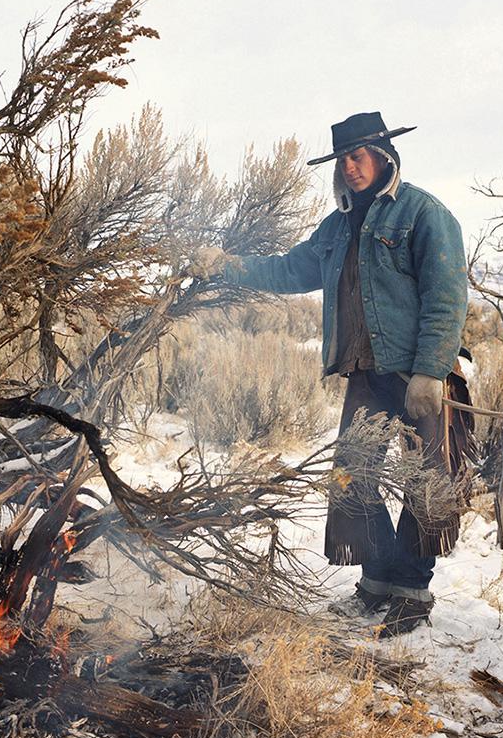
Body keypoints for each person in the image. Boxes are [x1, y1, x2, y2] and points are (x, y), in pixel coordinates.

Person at [190, 112, 471, 635]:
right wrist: (224, 264)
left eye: (359, 154)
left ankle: (411, 591)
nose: (350, 166)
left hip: (422, 376)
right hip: (366, 372)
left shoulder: (423, 213)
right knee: (351, 478)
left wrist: (431, 371)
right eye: (343, 158)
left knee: (426, 484)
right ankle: (379, 580)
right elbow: (286, 269)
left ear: (385, 155)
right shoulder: (337, 227)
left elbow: (448, 296)